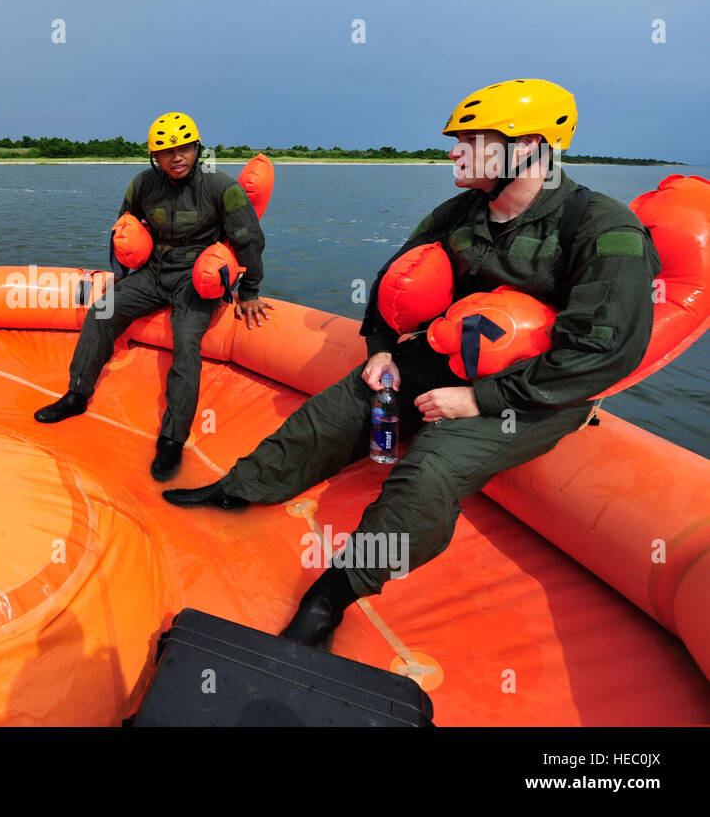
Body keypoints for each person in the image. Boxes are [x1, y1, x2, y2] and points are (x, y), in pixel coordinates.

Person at [163, 79, 661, 648]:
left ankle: (334, 594)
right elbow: (395, 278)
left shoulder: (602, 228)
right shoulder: (462, 211)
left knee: (429, 472)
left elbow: (603, 351)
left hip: (534, 390)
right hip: (447, 355)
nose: (454, 152)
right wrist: (379, 349)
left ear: (528, 147)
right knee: (340, 407)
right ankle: (243, 486)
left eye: (471, 140)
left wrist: (479, 400)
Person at [34, 112, 271, 481]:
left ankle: (172, 439)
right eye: (166, 152)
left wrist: (251, 290)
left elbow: (249, 238)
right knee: (102, 311)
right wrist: (121, 278)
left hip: (197, 277)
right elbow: (123, 228)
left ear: (196, 149)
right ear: (154, 157)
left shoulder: (220, 186)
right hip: (155, 272)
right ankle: (76, 395)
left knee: (187, 341)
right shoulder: (143, 184)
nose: (176, 158)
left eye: (184, 149)